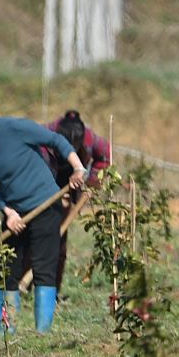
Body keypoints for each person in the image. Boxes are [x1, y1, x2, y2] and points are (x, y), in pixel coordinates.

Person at [0, 92, 85, 334]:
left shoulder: (14, 127)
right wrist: (8, 212)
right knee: (6, 271)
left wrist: (77, 168)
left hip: (46, 207)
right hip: (15, 217)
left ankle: (41, 334)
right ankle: (6, 332)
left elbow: (57, 141)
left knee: (44, 269)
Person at [38, 110, 112, 294]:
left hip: (71, 181)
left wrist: (93, 181)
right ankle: (27, 283)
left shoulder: (90, 139)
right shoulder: (44, 135)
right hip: (41, 184)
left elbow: (104, 155)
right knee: (36, 237)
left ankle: (52, 291)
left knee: (59, 242)